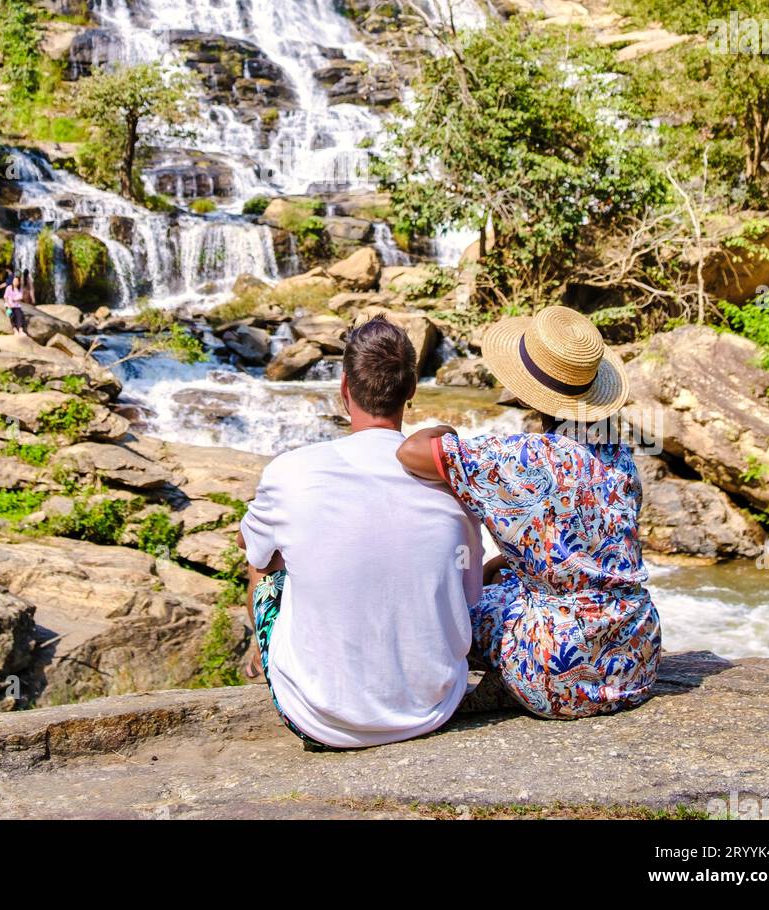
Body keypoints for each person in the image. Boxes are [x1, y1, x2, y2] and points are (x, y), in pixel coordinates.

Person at [398, 305, 661, 721]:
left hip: (555, 668)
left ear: (526, 392)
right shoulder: (619, 456)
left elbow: (412, 452)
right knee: (501, 576)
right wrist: (507, 562)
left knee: (448, 611)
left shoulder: (522, 457)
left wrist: (445, 433)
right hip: (635, 657)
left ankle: (498, 687)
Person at [237, 315, 482, 750]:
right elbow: (469, 598)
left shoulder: (289, 471)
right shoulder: (455, 479)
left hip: (317, 716)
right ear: (411, 391)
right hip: (435, 706)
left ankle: (265, 653)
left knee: (267, 561)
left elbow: (251, 549)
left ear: (344, 389)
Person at [3, 272, 29, 338]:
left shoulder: (19, 289)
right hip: (9, 305)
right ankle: (15, 330)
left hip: (16, 306)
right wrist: (8, 304)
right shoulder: (9, 288)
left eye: (17, 281)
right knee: (12, 315)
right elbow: (5, 297)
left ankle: (21, 330)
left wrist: (15, 300)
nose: (15, 282)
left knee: (19, 315)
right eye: (14, 281)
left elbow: (20, 298)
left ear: (18, 282)